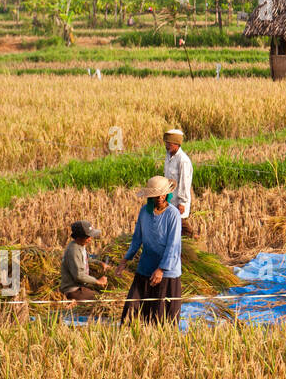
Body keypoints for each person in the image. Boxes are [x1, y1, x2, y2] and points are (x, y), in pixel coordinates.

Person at [121, 175, 183, 323]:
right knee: (132, 309)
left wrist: (161, 269)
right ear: (150, 197)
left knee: (162, 316)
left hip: (167, 272)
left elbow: (173, 246)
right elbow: (137, 239)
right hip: (146, 266)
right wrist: (125, 260)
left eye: (163, 194)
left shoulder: (173, 214)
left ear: (167, 194)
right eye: (156, 195)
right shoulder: (144, 212)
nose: (160, 198)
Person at [59, 220, 108, 302]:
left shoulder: (81, 245)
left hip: (81, 287)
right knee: (100, 300)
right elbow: (79, 276)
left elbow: (86, 258)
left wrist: (100, 263)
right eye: (88, 237)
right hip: (74, 290)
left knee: (100, 294)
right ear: (78, 238)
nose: (90, 239)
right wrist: (97, 281)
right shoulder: (74, 251)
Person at [163, 128, 195, 239]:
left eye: (169, 144)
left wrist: (182, 202)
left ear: (177, 144)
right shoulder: (168, 157)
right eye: (166, 143)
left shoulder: (183, 160)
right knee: (173, 226)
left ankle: (194, 243)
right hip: (169, 199)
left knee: (182, 224)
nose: (167, 146)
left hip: (179, 201)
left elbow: (184, 183)